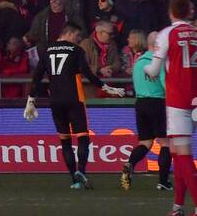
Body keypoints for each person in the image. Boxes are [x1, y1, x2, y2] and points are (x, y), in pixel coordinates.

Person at [145, 0, 197, 216]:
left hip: (178, 100)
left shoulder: (166, 34)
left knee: (183, 154)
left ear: (171, 12)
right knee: (177, 150)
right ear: (189, 11)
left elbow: (154, 69)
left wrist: (147, 69)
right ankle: (178, 206)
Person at [26, 23, 124, 190]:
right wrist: (107, 88)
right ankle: (82, 172)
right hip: (74, 99)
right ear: (70, 34)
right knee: (83, 138)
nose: (78, 40)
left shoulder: (47, 50)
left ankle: (75, 180)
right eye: (77, 36)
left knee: (65, 141)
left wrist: (31, 100)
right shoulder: (76, 51)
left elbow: (36, 77)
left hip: (55, 100)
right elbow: (88, 73)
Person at [121, 31, 171, 192]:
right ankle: (163, 181)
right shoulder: (159, 61)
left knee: (145, 143)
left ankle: (130, 164)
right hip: (157, 102)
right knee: (165, 143)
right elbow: (165, 84)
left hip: (141, 103)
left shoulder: (138, 62)